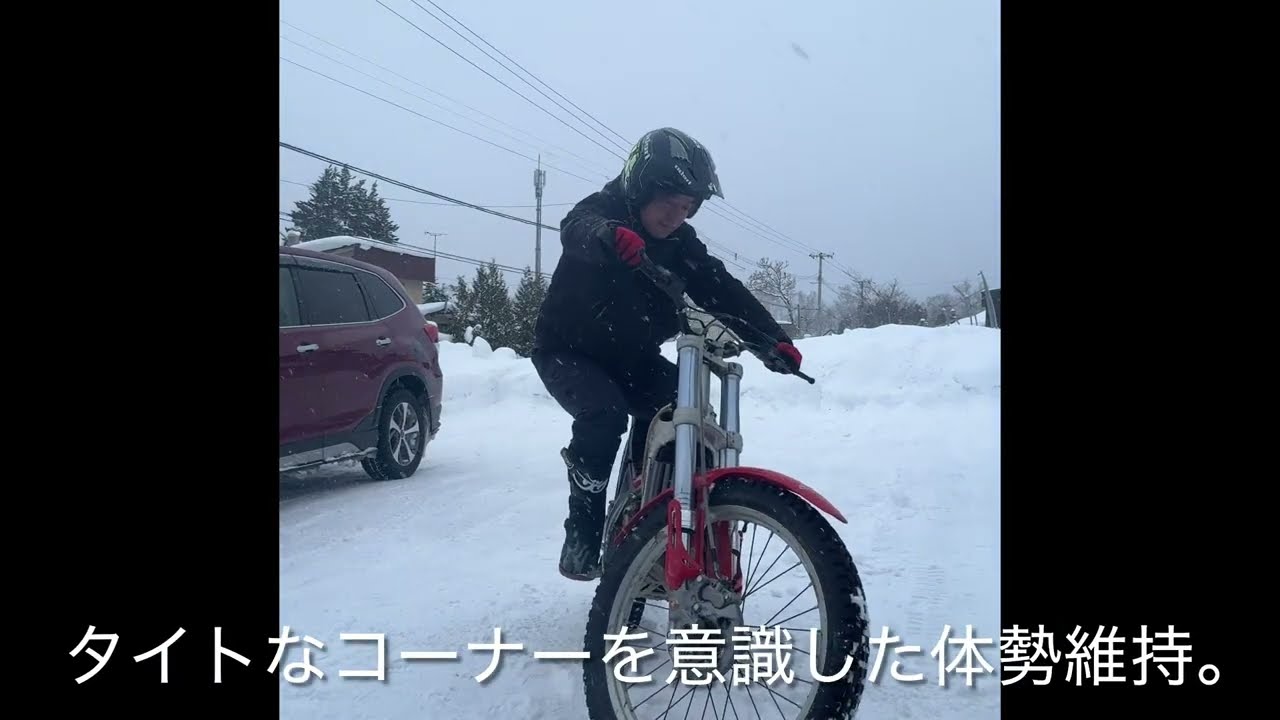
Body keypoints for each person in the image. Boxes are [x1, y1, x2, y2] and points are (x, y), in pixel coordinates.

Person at [531, 127, 803, 581]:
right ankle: (582, 529)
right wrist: (611, 237)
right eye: (669, 203)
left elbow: (720, 287)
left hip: (632, 357)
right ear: (641, 186)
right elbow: (577, 229)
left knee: (684, 409)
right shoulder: (601, 213)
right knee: (604, 415)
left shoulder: (681, 243)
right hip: (569, 352)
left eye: (687, 208)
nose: (676, 216)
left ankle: (646, 507)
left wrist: (771, 340)